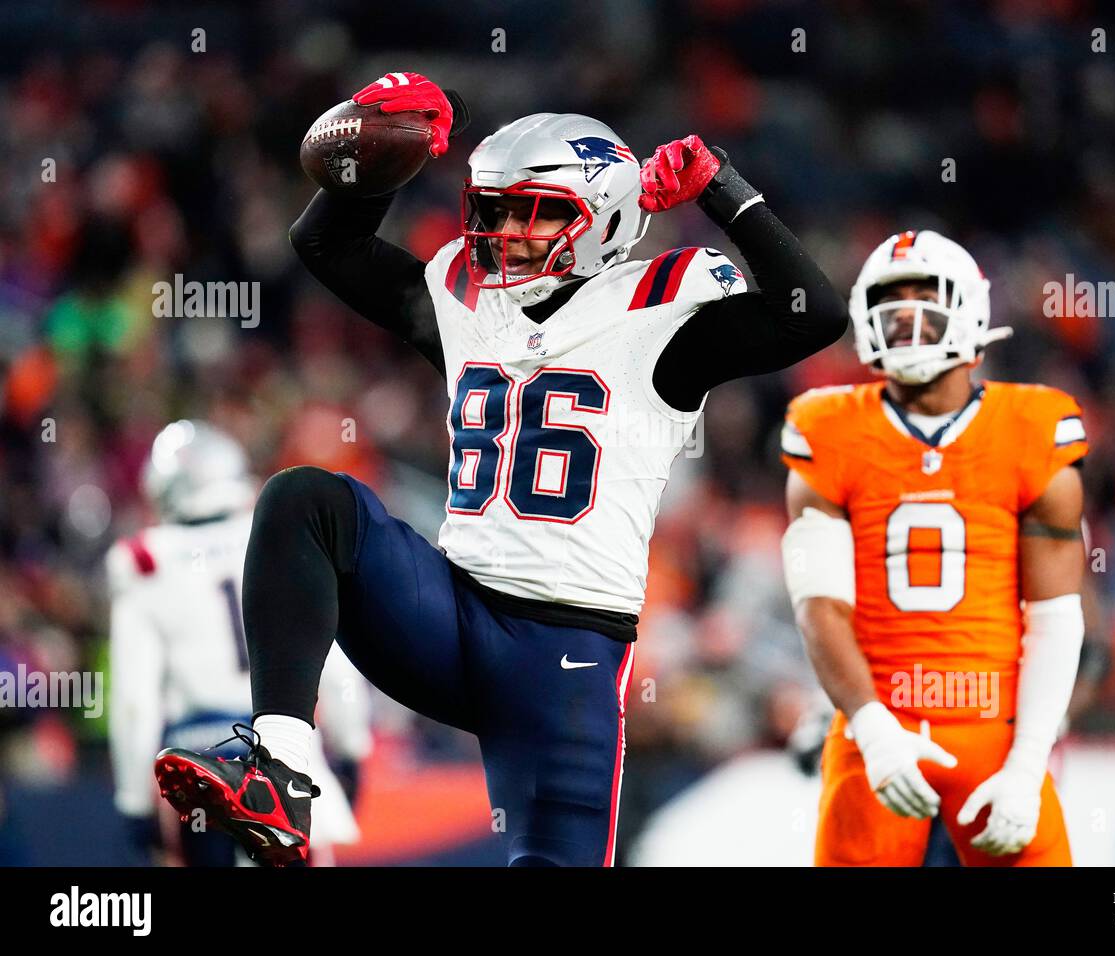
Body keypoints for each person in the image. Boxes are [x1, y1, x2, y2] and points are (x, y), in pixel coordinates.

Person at [155, 72, 847, 866]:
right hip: (450, 617)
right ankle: (279, 767)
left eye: (538, 211)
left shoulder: (663, 317)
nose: (508, 230)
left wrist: (725, 191)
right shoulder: (464, 299)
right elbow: (326, 243)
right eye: (496, 208)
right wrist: (386, 149)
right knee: (306, 500)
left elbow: (813, 312)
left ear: (608, 220)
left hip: (566, 660)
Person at [780, 229, 1086, 865]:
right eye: (892, 299)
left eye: (927, 296)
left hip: (996, 729)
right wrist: (869, 727)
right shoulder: (829, 428)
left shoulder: (1032, 429)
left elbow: (1056, 617)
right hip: (876, 726)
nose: (906, 314)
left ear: (970, 309)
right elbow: (819, 609)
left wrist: (1030, 765)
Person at [111, 421, 369, 866]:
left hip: (198, 767)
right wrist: (351, 747)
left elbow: (135, 700)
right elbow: (331, 657)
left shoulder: (145, 560)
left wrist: (135, 798)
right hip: (285, 758)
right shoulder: (280, 534)